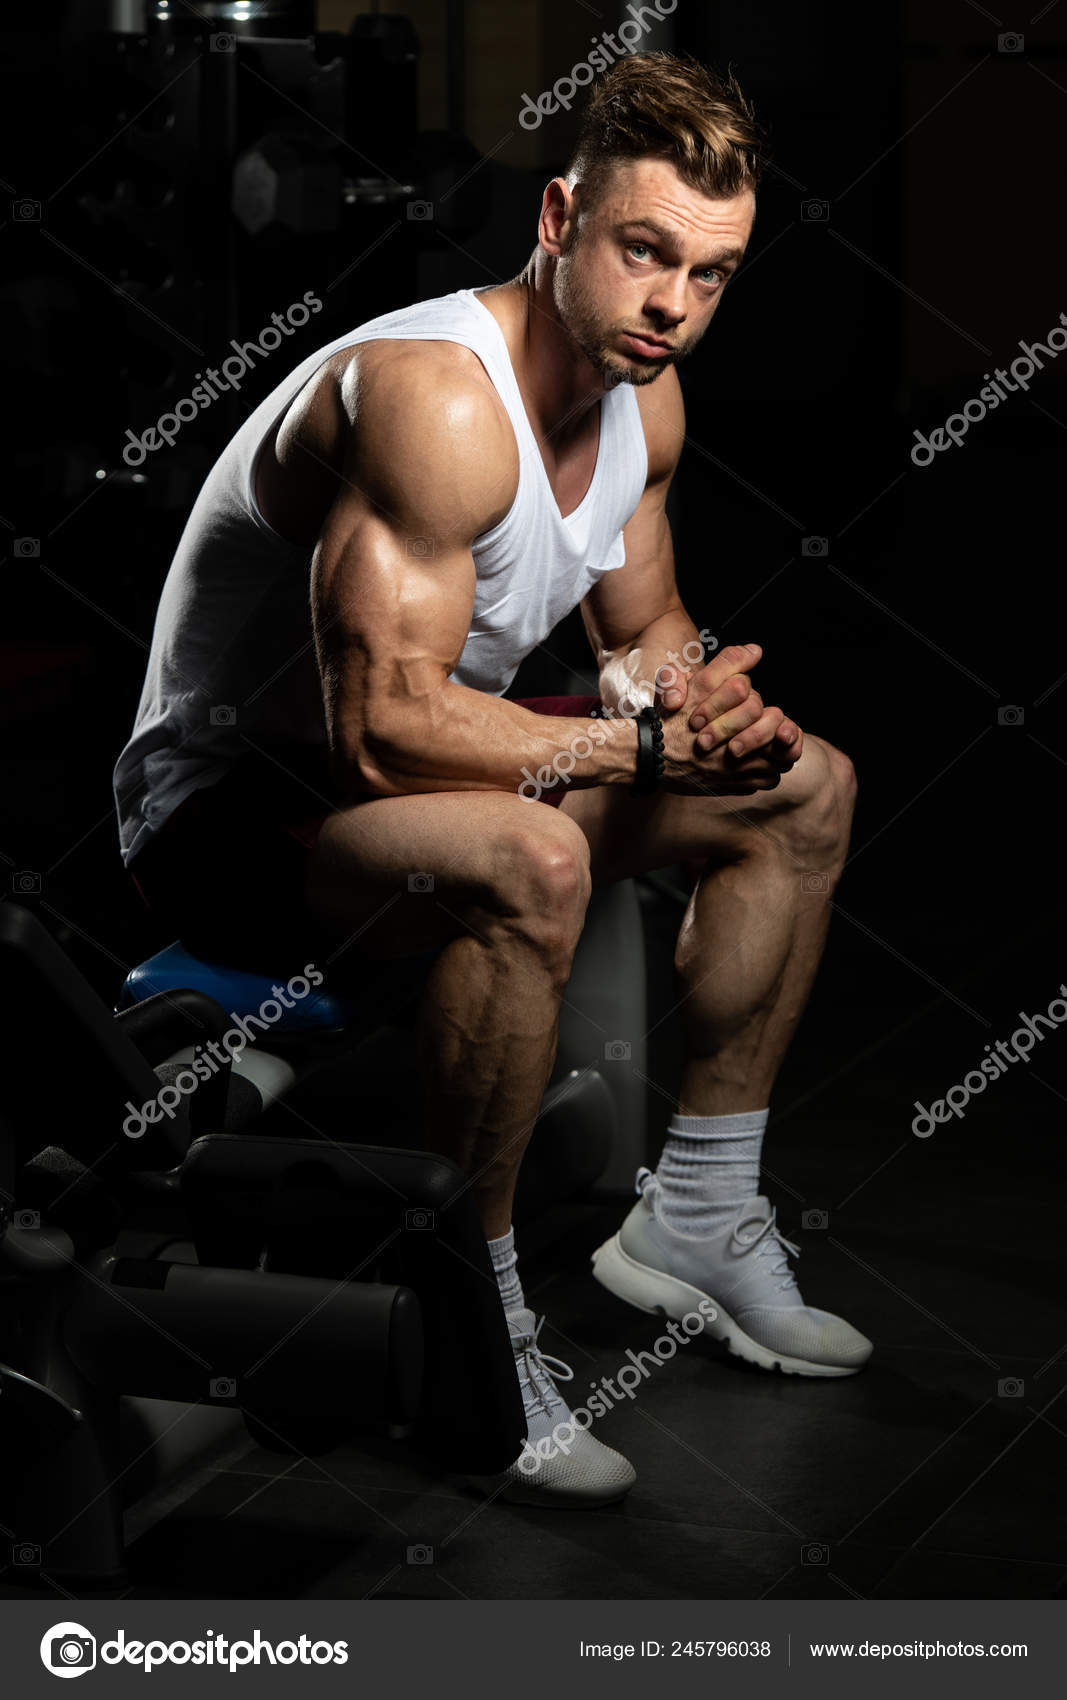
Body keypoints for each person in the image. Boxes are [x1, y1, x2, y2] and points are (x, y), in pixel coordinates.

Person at [114, 49, 870, 1511]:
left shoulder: (645, 408)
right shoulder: (432, 400)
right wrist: (628, 742)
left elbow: (638, 632)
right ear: (558, 221)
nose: (673, 304)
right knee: (534, 863)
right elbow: (383, 731)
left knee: (806, 787)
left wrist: (690, 699)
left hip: (408, 773)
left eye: (711, 275)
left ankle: (698, 1223)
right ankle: (482, 1316)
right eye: (645, 253)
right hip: (232, 819)